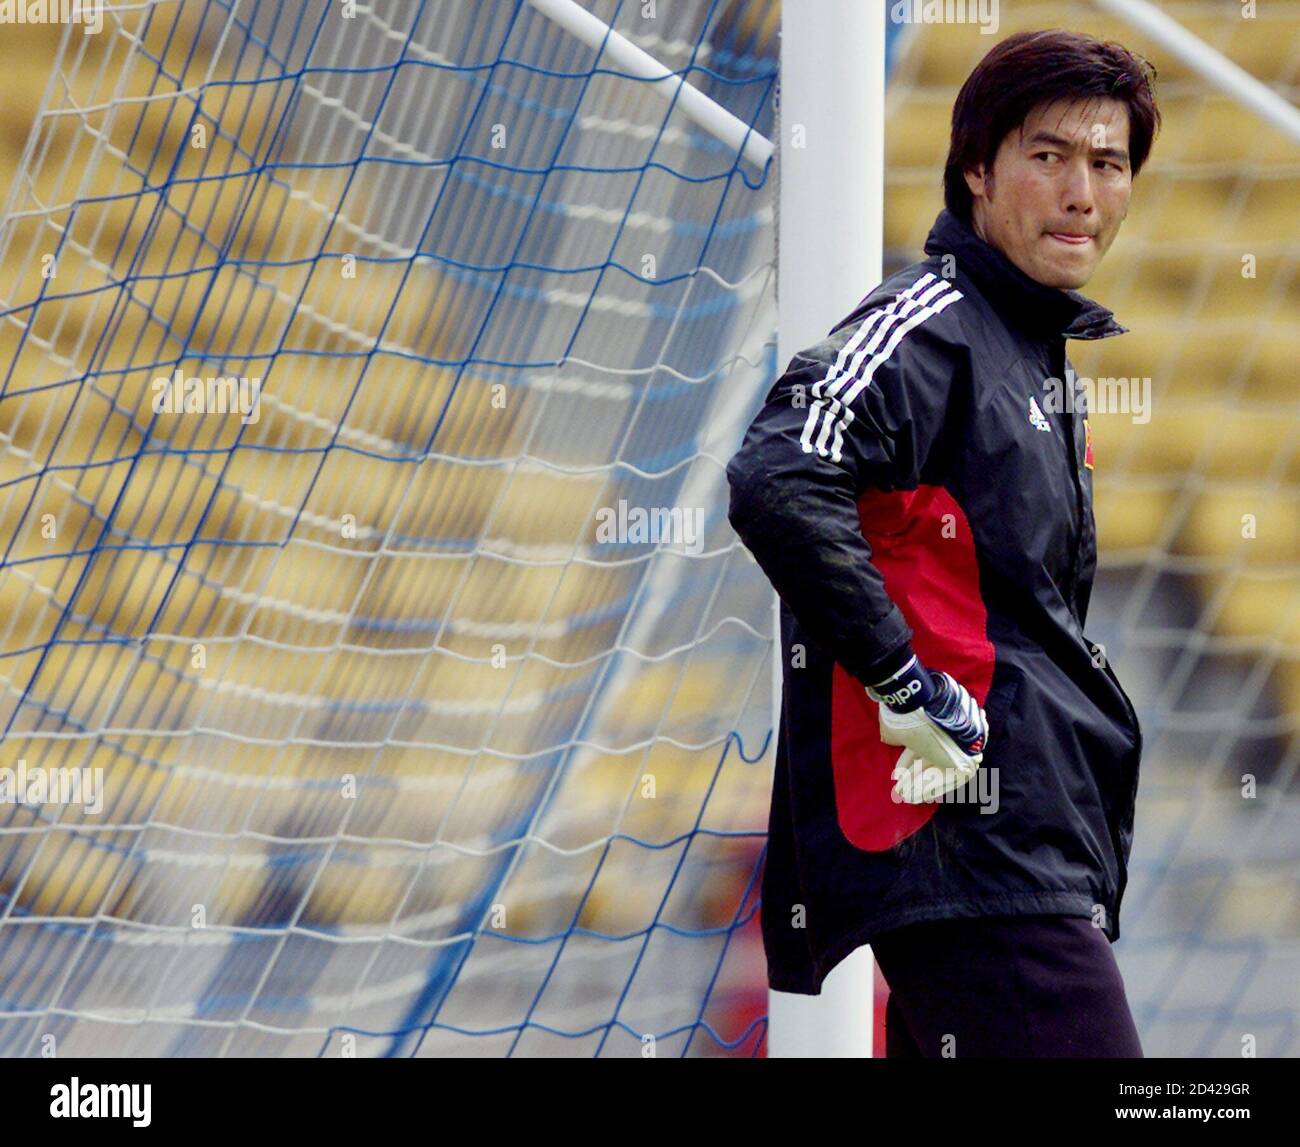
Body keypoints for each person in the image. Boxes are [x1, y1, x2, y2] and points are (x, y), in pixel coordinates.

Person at [725, 28, 1160, 1057]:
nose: (1081, 192)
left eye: (1107, 164)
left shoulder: (1032, 353)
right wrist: (901, 681)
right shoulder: (924, 329)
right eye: (1048, 156)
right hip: (968, 845)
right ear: (976, 169)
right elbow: (777, 471)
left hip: (1022, 843)